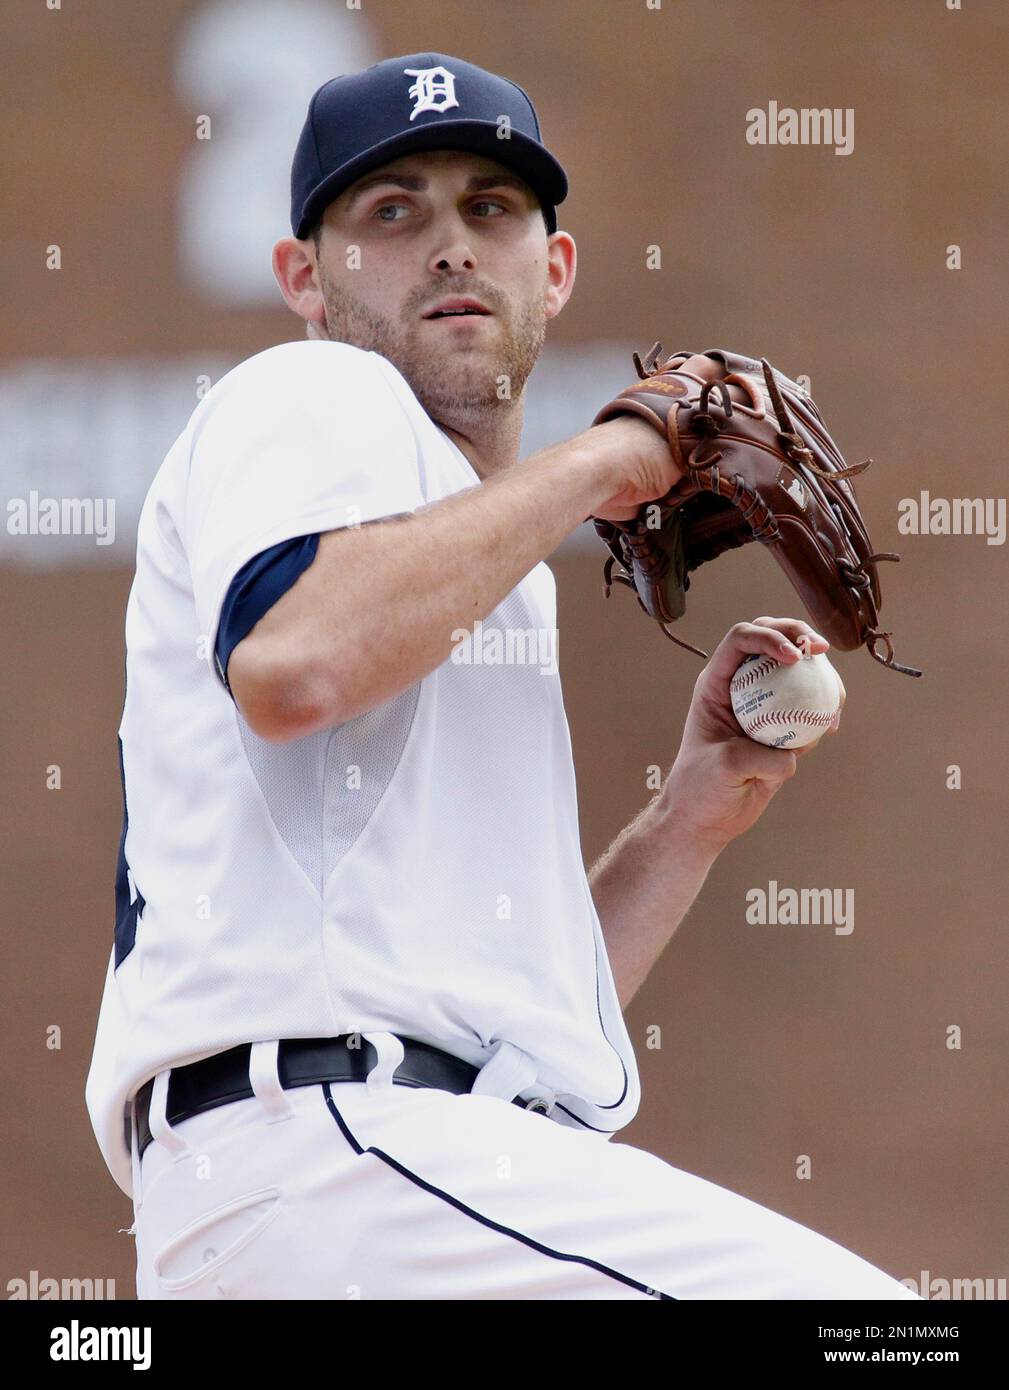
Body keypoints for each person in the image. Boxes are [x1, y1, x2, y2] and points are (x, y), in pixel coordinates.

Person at [86, 51, 919, 1300]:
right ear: (303, 279)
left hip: (381, 1186)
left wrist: (685, 819)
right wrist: (611, 458)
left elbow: (511, 1032)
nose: (449, 245)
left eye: (489, 206)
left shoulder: (475, 563)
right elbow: (295, 665)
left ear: (555, 266)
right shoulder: (314, 394)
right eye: (392, 210)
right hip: (340, 1166)